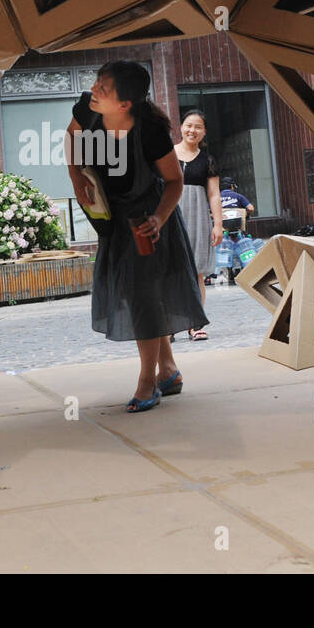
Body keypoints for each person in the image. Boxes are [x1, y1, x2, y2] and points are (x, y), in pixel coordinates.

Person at [67, 61, 208, 413]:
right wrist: (76, 177)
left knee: (143, 294)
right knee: (140, 293)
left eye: (104, 87)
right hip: (113, 217)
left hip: (148, 218)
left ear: (125, 103)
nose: (94, 89)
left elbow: (174, 182)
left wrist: (160, 219)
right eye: (97, 82)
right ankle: (170, 370)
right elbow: (71, 139)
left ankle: (149, 382)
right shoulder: (88, 108)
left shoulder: (150, 132)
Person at [173, 109, 222, 341]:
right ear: (181, 127)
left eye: (198, 127)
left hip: (198, 218)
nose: (192, 130)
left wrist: (218, 224)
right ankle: (168, 325)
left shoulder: (207, 160)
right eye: (188, 125)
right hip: (170, 215)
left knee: (197, 273)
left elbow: (214, 195)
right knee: (168, 272)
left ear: (204, 132)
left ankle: (196, 323)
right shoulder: (167, 155)